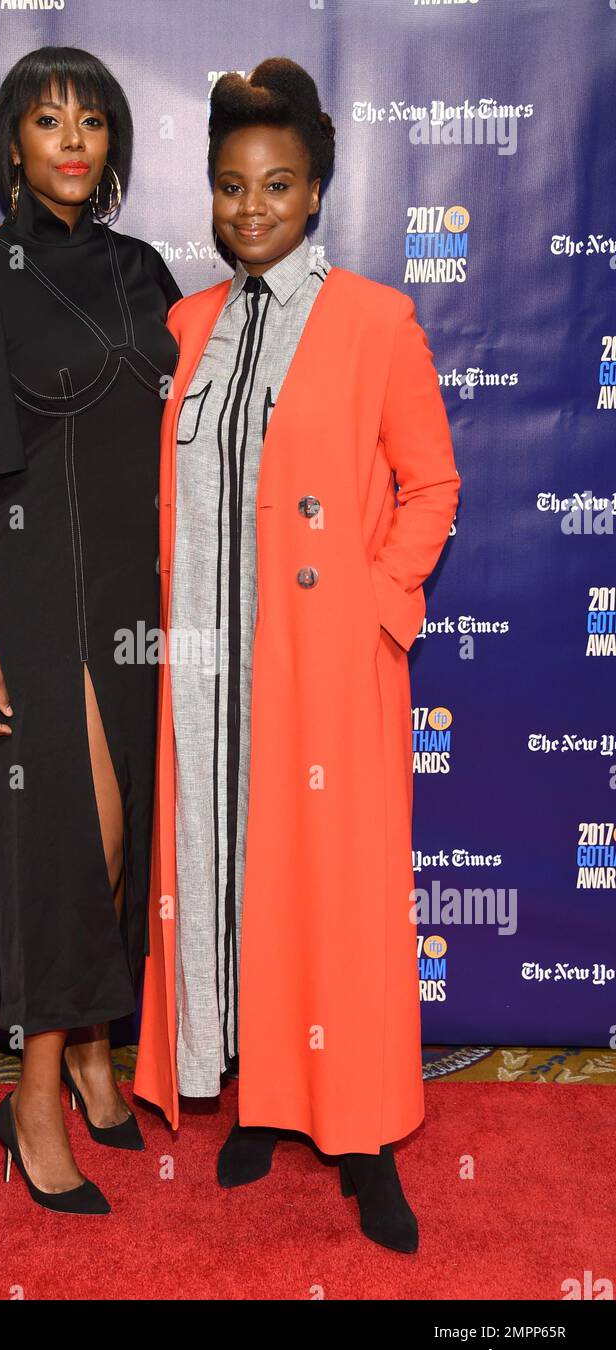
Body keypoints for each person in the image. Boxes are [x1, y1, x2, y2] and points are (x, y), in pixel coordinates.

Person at [134, 58, 461, 1253]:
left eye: (275, 184)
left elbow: (428, 485)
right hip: (211, 674)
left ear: (314, 191)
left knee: (337, 893)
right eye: (229, 187)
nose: (250, 208)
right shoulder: (191, 324)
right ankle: (259, 1097)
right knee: (228, 874)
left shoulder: (374, 318)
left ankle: (363, 1133)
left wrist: (378, 606)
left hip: (327, 671)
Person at [0, 47, 181, 1214]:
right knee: (78, 837)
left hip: (139, 591)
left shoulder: (144, 269)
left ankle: (101, 1062)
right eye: (45, 118)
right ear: (10, 141)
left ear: (112, 142)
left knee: (129, 841)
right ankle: (32, 1095)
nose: (71, 138)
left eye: (91, 120)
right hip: (30, 584)